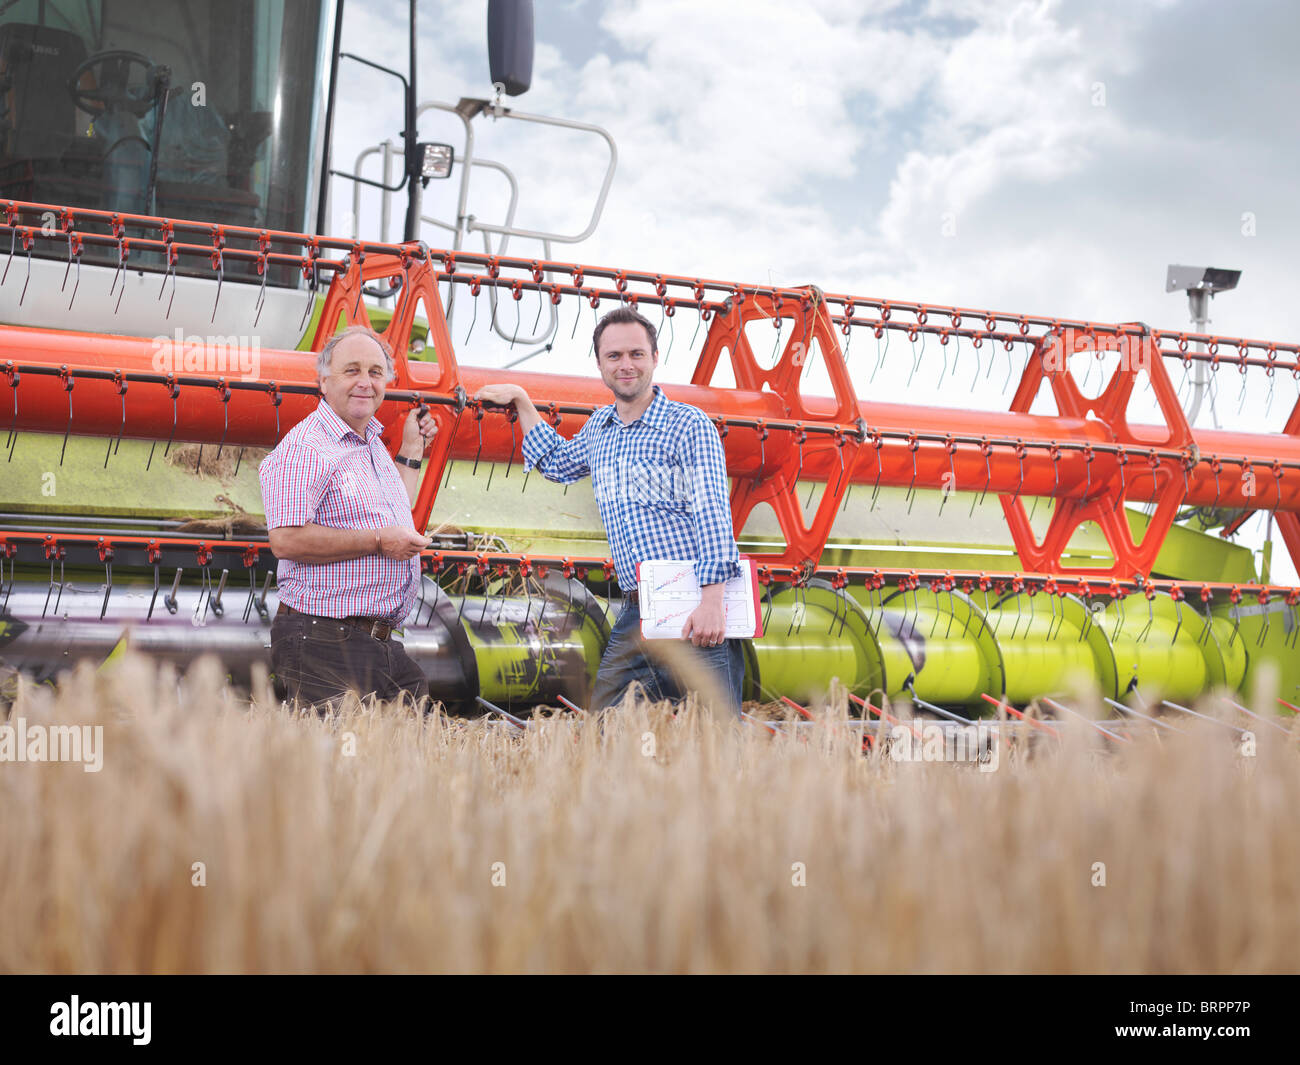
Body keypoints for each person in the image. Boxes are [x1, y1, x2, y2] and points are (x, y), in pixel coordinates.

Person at [475, 305, 747, 715]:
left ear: (655, 358)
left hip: (693, 601)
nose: (626, 365)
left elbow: (711, 511)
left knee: (714, 733)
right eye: (614, 356)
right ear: (600, 364)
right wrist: (522, 401)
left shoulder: (688, 425)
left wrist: (712, 600)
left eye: (636, 354)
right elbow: (557, 462)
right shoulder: (600, 429)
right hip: (639, 605)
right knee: (606, 723)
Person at [259, 325, 437, 710]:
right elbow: (286, 540)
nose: (365, 382)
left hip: (376, 641)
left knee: (419, 754)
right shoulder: (307, 448)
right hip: (322, 640)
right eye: (351, 370)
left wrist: (410, 450)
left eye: (375, 372)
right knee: (342, 763)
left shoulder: (369, 444)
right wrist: (377, 541)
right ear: (323, 380)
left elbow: (394, 515)